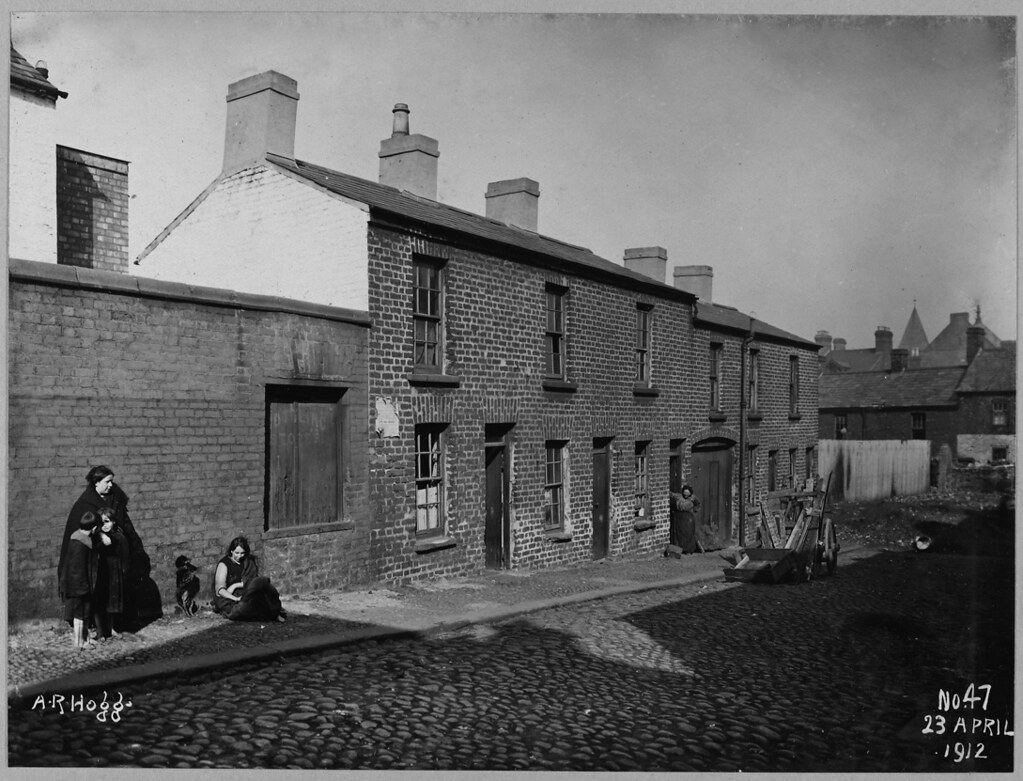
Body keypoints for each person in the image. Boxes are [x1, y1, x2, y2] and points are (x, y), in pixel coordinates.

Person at [212, 536, 286, 623]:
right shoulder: (224, 564)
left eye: (242, 553)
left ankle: (274, 613)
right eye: (236, 553)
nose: (239, 556)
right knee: (248, 605)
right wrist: (235, 598)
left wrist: (236, 585)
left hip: (247, 592)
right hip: (232, 599)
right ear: (231, 551)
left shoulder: (248, 561)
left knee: (264, 590)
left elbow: (251, 581)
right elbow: (220, 590)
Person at [59, 511, 100, 651]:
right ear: (94, 528)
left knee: (85, 613)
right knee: (79, 615)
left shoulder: (78, 539)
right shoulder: (80, 544)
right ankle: (79, 643)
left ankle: (85, 638)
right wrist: (83, 589)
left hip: (82, 586)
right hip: (79, 587)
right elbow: (77, 570)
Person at [92, 507, 129, 638]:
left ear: (113, 521)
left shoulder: (119, 536)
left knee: (113, 602)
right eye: (102, 523)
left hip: (114, 573)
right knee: (100, 601)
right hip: (101, 573)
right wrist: (101, 535)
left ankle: (111, 627)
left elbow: (124, 556)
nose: (104, 525)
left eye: (107, 521)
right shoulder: (98, 536)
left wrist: (123, 572)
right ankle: (100, 630)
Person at [668, 484, 702, 555]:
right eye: (684, 493)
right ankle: (679, 549)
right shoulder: (678, 496)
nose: (685, 494)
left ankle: (688, 550)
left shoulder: (693, 498)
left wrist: (694, 510)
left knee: (688, 534)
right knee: (678, 534)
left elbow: (698, 504)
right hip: (679, 517)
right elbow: (670, 494)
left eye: (687, 493)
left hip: (688, 518)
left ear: (690, 493)